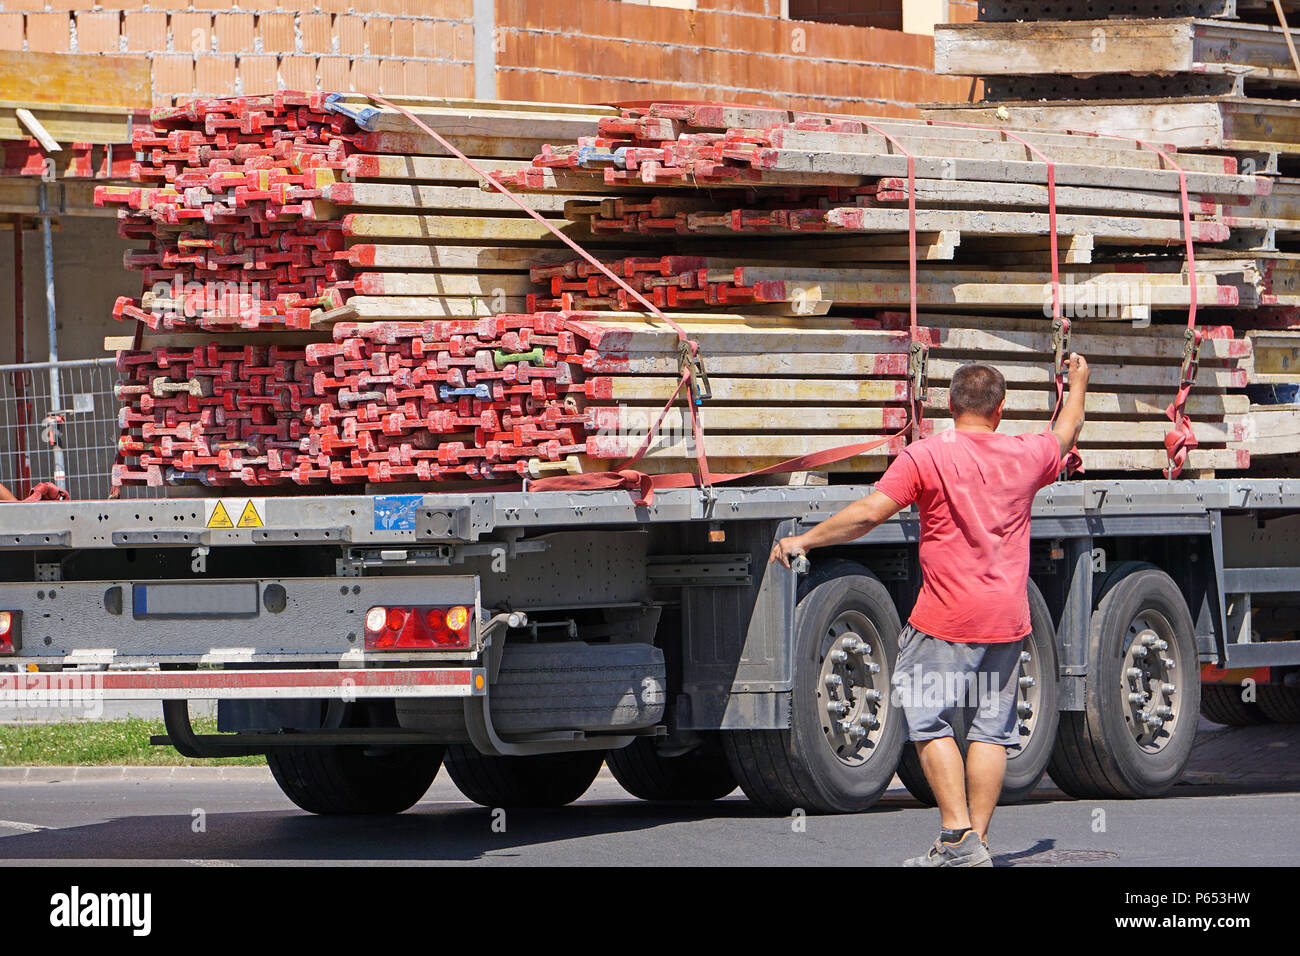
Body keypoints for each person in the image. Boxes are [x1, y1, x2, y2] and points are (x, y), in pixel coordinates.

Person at [770, 354, 1090, 867]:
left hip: (945, 620)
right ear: (1001, 410)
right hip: (1009, 619)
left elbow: (870, 514)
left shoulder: (925, 456)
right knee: (991, 730)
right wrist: (1077, 384)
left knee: (930, 722)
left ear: (949, 403)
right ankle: (973, 845)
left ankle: (958, 838)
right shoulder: (1025, 454)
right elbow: (1066, 432)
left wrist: (805, 539)